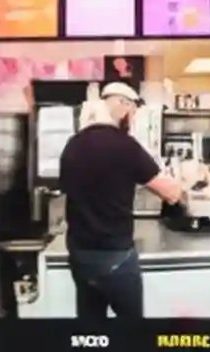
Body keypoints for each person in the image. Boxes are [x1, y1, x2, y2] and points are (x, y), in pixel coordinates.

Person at [59, 82, 183, 319]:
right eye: (133, 112)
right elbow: (171, 193)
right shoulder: (126, 147)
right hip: (115, 257)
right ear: (122, 105)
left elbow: (70, 189)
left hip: (80, 258)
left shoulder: (72, 145)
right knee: (132, 335)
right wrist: (187, 179)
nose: (133, 119)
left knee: (90, 334)